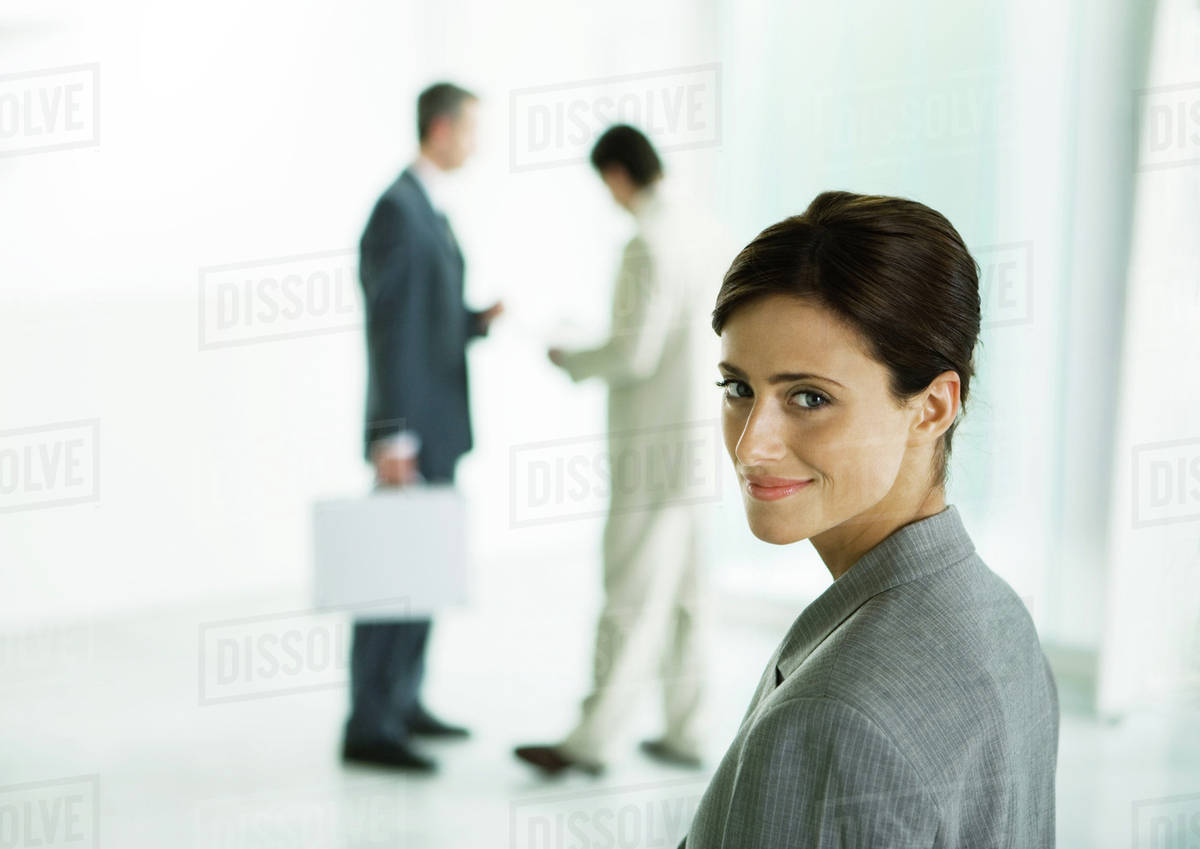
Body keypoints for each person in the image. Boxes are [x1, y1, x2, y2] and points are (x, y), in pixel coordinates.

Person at [679, 191, 1059, 846]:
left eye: (809, 396)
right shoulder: (1001, 618)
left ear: (934, 407)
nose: (752, 445)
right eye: (739, 388)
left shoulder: (832, 718)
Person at [514, 125, 713, 776]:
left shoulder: (645, 243)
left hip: (652, 449)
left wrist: (569, 353)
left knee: (627, 590)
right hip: (699, 442)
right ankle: (688, 729)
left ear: (618, 175)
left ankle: (591, 740)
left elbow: (633, 352)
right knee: (685, 595)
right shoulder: (702, 230)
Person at [344, 81, 503, 772]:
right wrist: (392, 436)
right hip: (410, 431)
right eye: (471, 129)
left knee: (420, 568)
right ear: (441, 128)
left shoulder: (426, 208)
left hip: (435, 421)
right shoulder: (398, 211)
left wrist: (473, 321)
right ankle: (370, 723)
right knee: (391, 575)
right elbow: (392, 333)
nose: (477, 143)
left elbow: (426, 317)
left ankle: (403, 702)